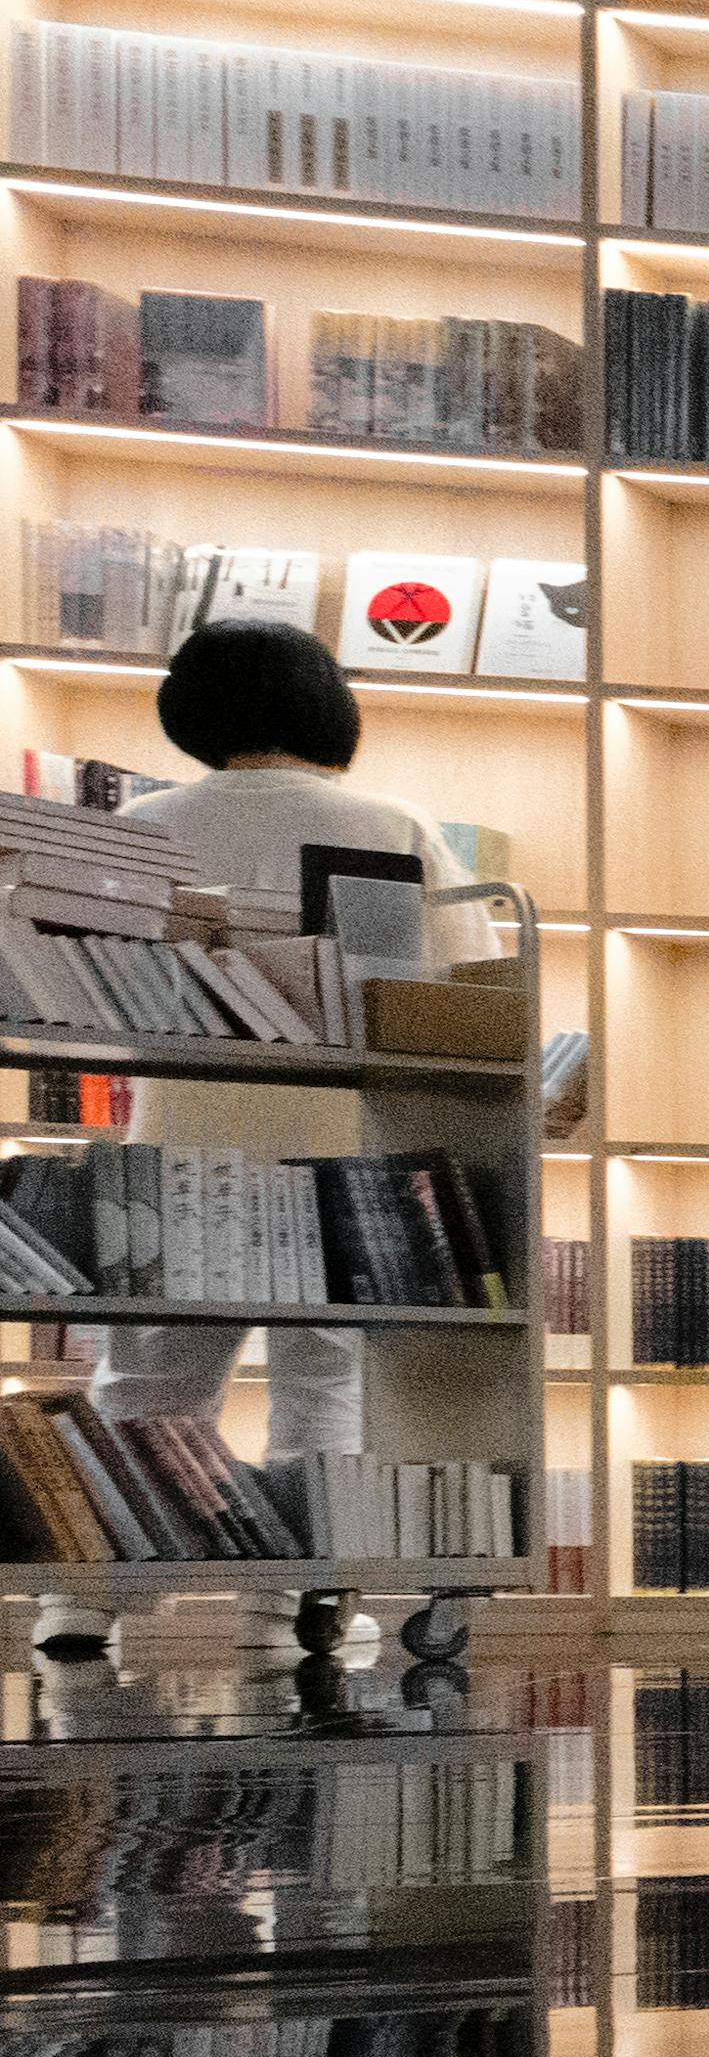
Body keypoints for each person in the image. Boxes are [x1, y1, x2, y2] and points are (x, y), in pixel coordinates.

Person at [55, 626, 429, 1650]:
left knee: (148, 1385)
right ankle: (297, 1604)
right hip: (343, 1154)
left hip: (177, 1153)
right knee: (325, 1384)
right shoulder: (390, 825)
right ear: (328, 706)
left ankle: (87, 1607)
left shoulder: (140, 826)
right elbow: (451, 996)